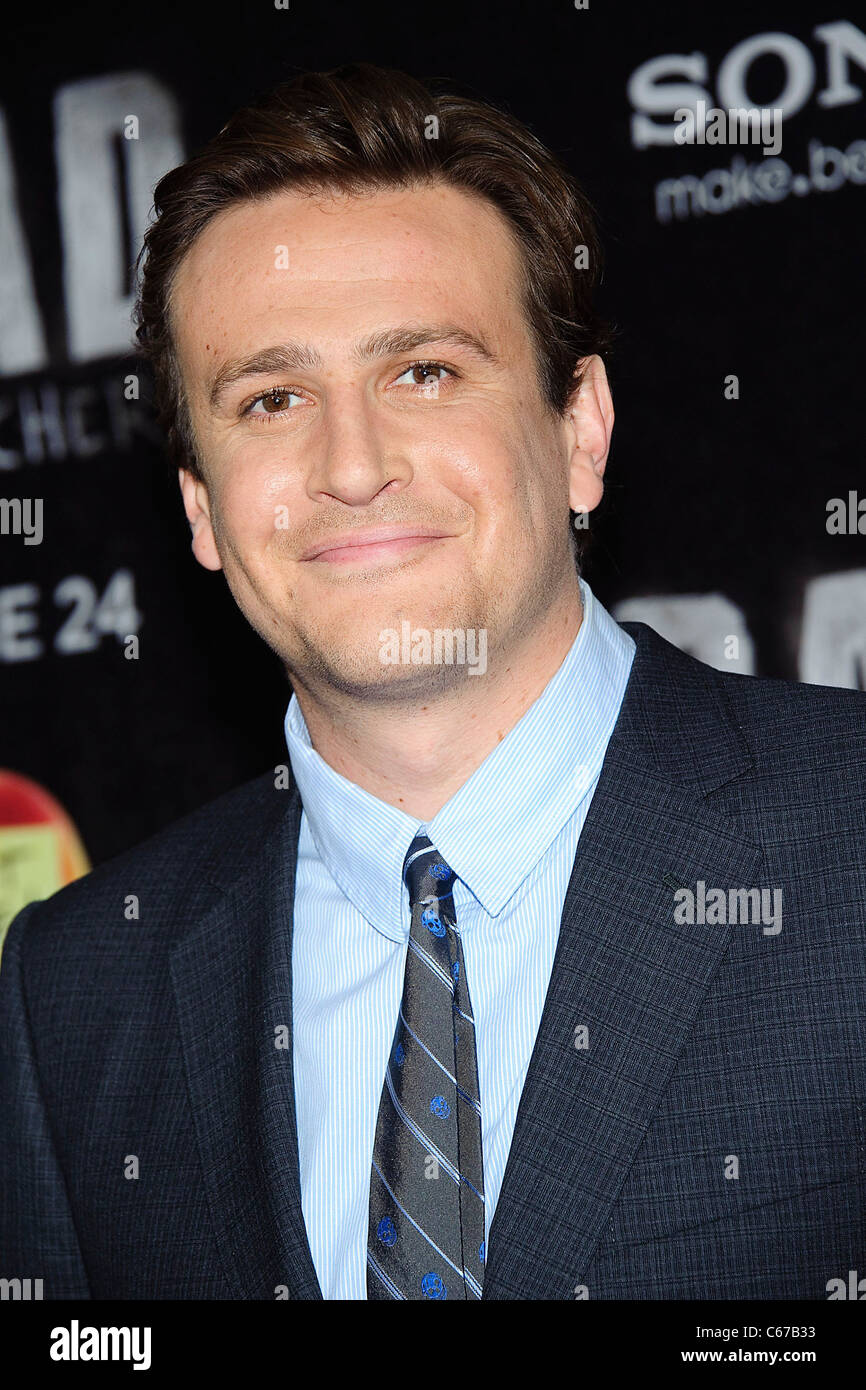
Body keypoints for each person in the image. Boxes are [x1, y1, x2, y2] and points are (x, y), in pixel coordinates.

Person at [1, 61, 864, 1302]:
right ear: (200, 508)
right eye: (271, 396)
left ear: (581, 430)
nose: (350, 465)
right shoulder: (74, 989)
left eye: (424, 373)